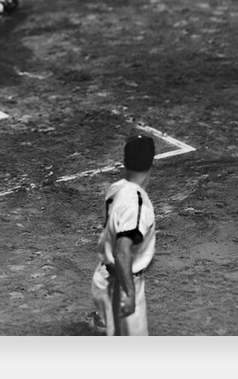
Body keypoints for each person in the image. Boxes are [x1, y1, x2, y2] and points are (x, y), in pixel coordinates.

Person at [90, 135, 157, 335]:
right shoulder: (136, 204)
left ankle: (103, 321)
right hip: (119, 285)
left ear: (125, 162)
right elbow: (122, 251)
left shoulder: (116, 188)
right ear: (152, 163)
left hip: (105, 276)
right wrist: (129, 293)